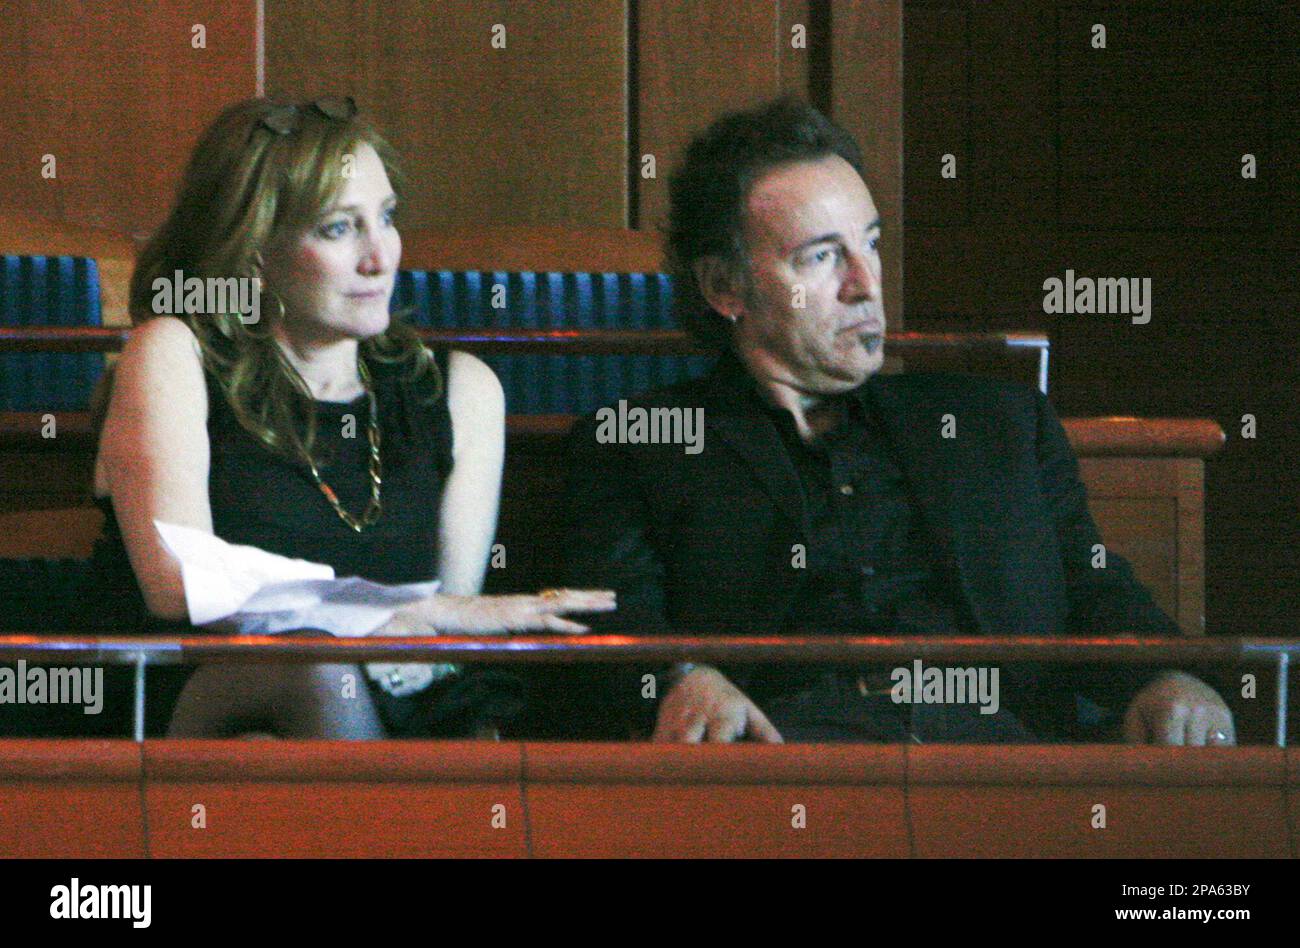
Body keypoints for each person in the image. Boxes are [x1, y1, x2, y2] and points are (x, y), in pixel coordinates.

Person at [560, 97, 1234, 745]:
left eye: (871, 244)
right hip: (789, 758)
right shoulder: (637, 441)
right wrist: (684, 677)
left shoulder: (996, 422)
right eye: (822, 256)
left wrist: (1166, 676)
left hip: (999, 753)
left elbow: (1092, 585)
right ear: (723, 288)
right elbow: (615, 616)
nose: (866, 283)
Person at [91, 95, 613, 738]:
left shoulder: (459, 390)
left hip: (397, 697)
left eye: (386, 218)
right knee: (318, 676)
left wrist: (419, 627)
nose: (381, 256)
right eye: (340, 228)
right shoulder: (173, 353)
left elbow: (440, 633)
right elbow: (181, 585)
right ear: (255, 249)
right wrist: (386, 621)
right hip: (209, 695)